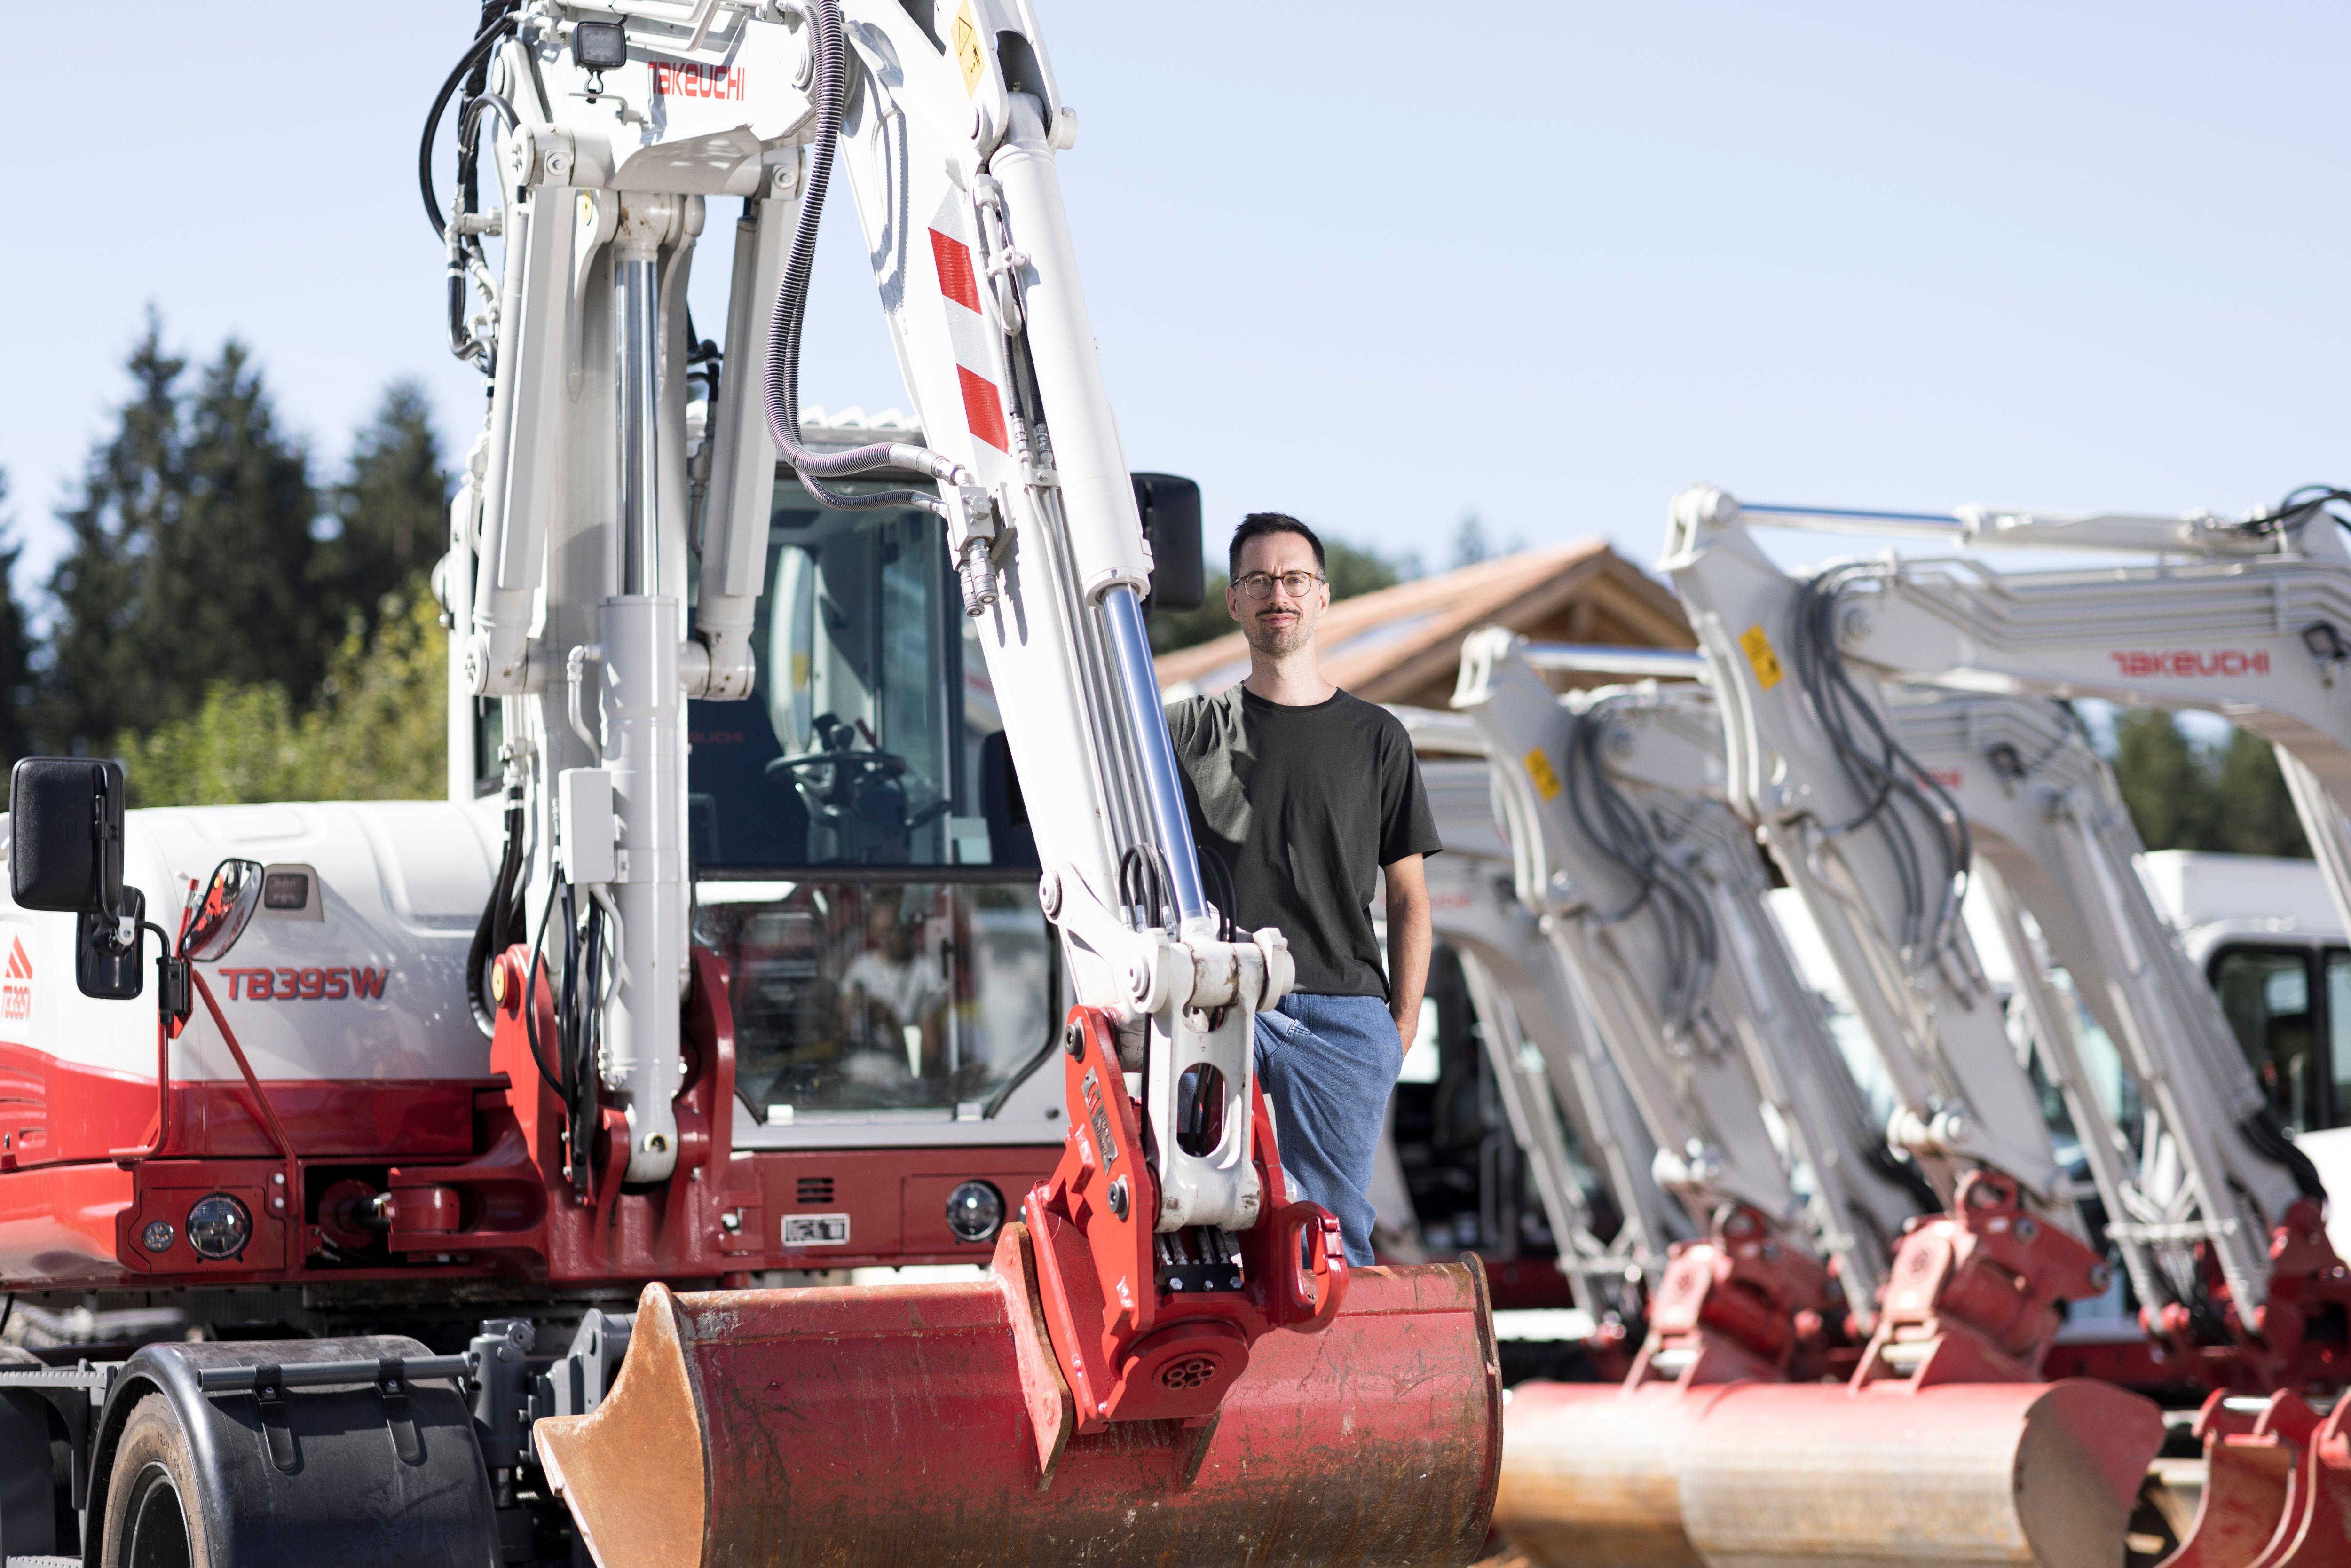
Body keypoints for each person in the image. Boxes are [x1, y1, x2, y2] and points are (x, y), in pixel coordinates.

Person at [1163, 512, 1439, 1265]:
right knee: (1201, 1227)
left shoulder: (1377, 738)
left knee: (1332, 1237)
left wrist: (1399, 1027)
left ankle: (1335, 1380)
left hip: (1344, 1015)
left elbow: (1411, 897)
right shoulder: (1185, 732)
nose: (1275, 593)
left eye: (1293, 579)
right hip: (1222, 1003)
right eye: (1257, 580)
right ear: (1233, 601)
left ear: (1321, 598)